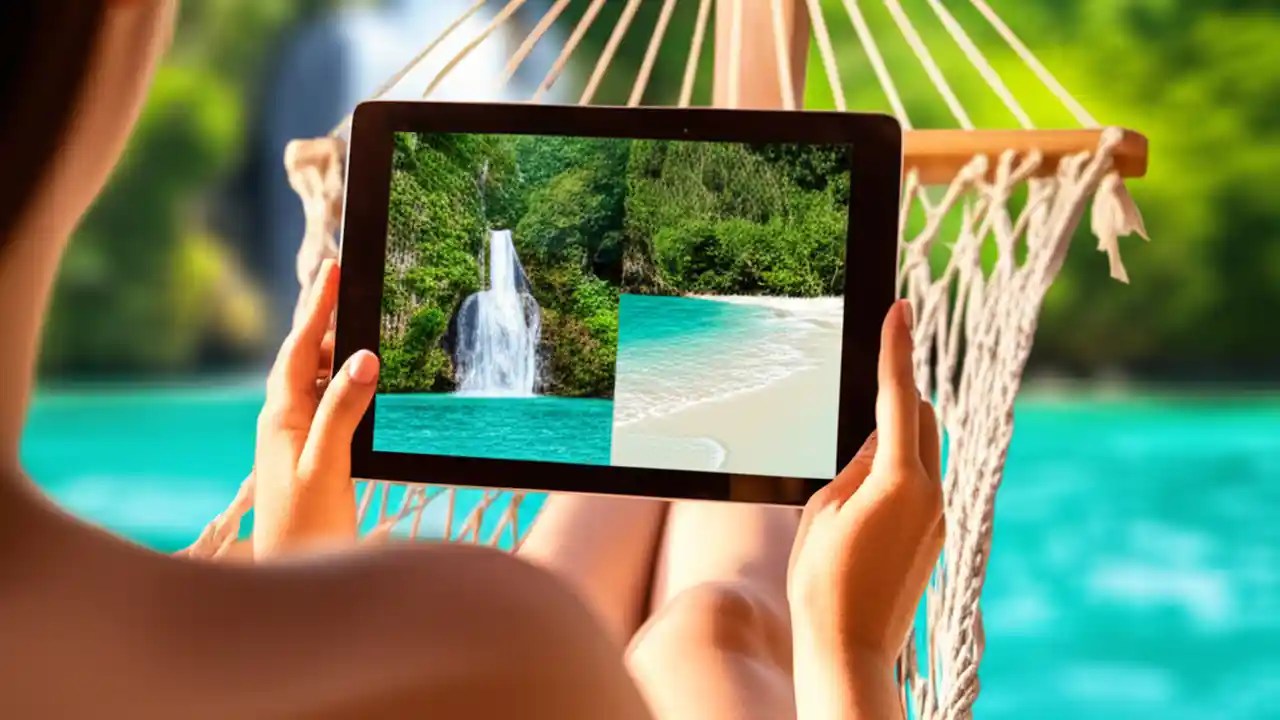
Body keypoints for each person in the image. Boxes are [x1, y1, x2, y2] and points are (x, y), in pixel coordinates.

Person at [0, 2, 943, 719]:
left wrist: (303, 580)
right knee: (717, 623)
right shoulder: (481, 637)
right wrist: (850, 652)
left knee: (660, 510)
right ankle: (715, 289)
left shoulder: (456, 636)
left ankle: (688, 351)